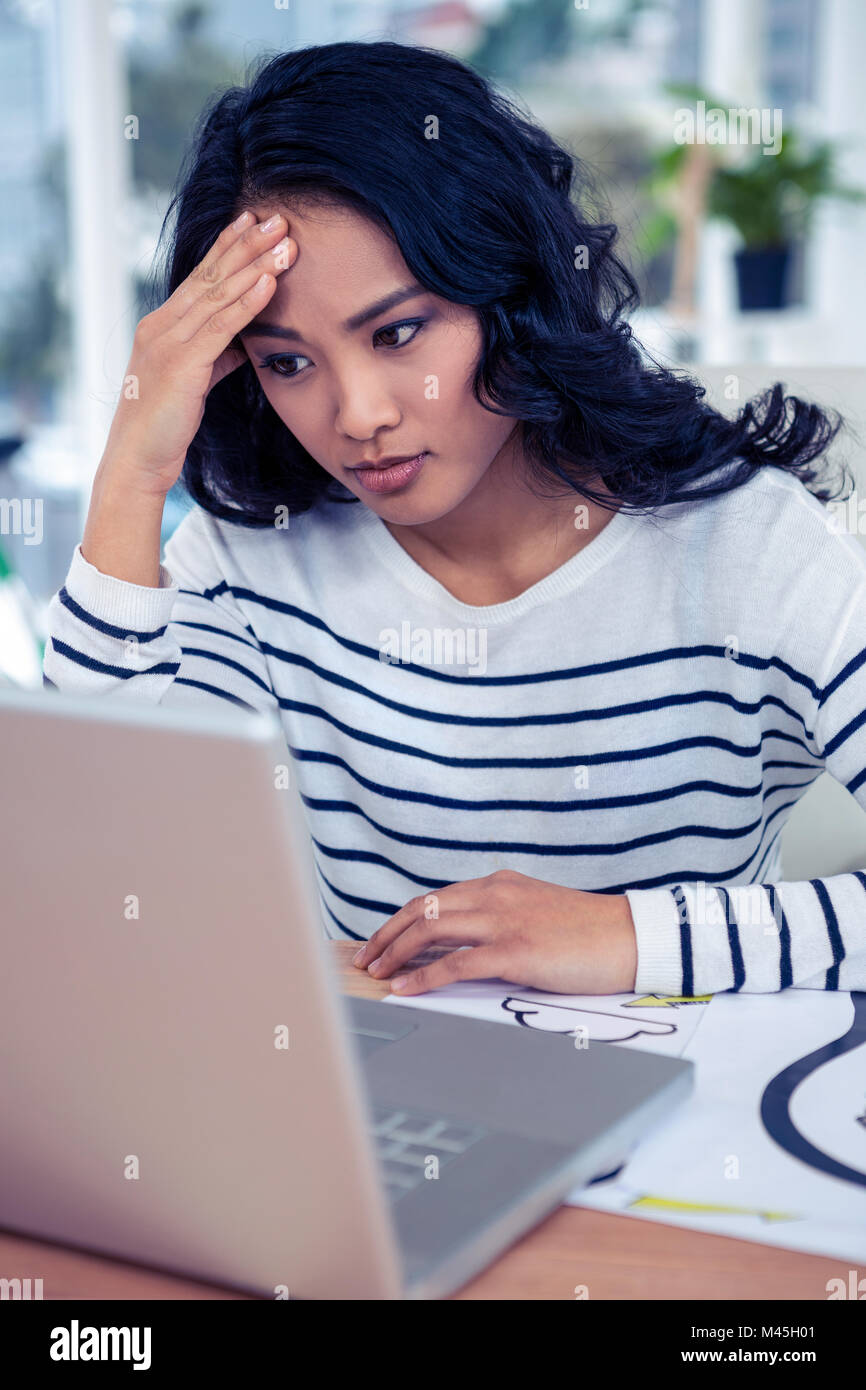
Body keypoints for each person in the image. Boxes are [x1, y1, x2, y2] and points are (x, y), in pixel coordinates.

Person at [44, 41, 866, 1000]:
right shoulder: (250, 561)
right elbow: (87, 884)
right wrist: (132, 475)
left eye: (398, 333)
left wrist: (624, 937)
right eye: (286, 362)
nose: (357, 416)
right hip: (378, 1126)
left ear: (508, 293)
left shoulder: (748, 549)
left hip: (693, 1122)